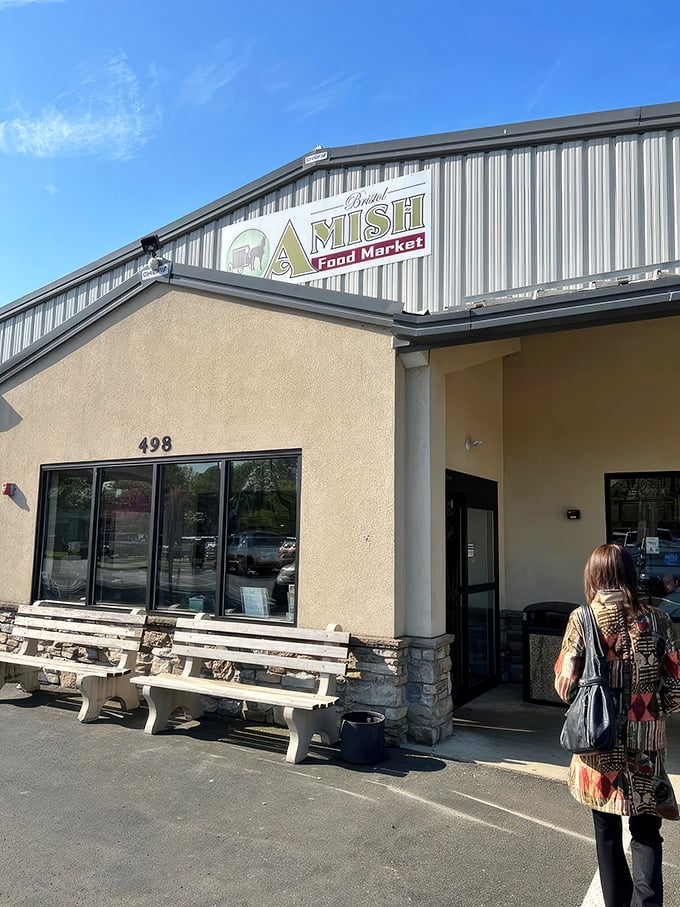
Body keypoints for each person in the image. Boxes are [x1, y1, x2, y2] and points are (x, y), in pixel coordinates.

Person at [554, 543, 680, 907]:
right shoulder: (658, 619)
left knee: (606, 830)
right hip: (646, 741)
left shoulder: (583, 618)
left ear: (593, 575)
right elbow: (675, 687)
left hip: (599, 742)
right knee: (646, 830)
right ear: (628, 573)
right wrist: (651, 710)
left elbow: (565, 685)